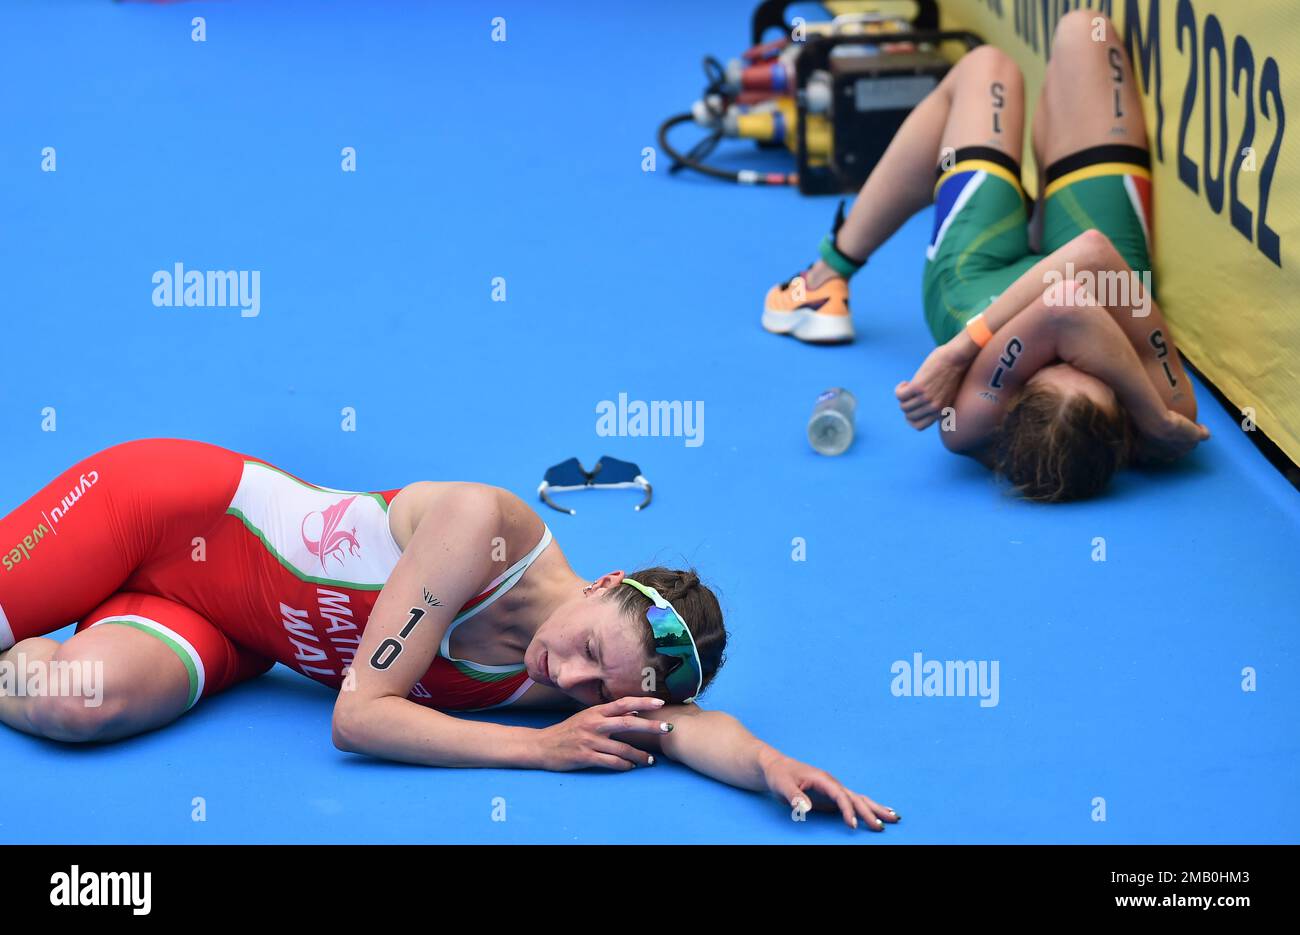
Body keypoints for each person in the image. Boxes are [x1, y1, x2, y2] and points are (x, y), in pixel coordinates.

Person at [0, 437, 898, 830]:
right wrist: (541, 751)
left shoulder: (588, 685)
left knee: (76, 704)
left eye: (599, 688)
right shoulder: (483, 526)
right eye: (589, 645)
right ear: (603, 580)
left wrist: (774, 766)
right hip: (159, 509)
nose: (572, 676)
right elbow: (360, 717)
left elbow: (697, 731)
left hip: (225, 628)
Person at [763, 10, 1209, 500]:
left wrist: (961, 348)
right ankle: (1047, 205)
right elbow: (1078, 283)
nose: (1064, 349)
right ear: (1124, 422)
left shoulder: (970, 424)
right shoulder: (1166, 414)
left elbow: (1064, 309)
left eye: (1042, 364)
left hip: (976, 280)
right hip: (1102, 272)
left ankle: (828, 275)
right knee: (1085, 31)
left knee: (986, 68)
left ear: (1011, 403)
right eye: (1094, 367)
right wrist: (1149, 411)